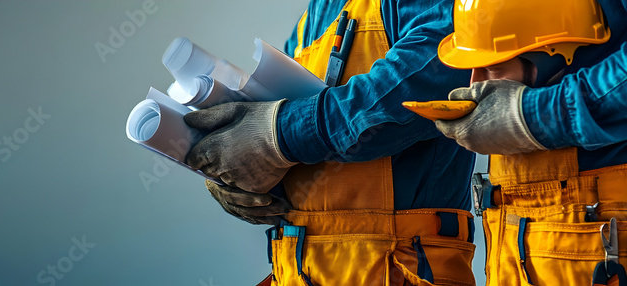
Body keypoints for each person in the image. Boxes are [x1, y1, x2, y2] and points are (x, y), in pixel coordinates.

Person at [430, 0, 627, 284]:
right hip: (517, 236)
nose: (474, 85)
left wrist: (530, 116)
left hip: (603, 235)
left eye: (492, 68)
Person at [182, 0, 480, 285]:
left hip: (400, 268)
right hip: (300, 270)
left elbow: (437, 72)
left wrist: (280, 134)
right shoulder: (314, 17)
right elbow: (282, 135)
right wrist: (235, 173)